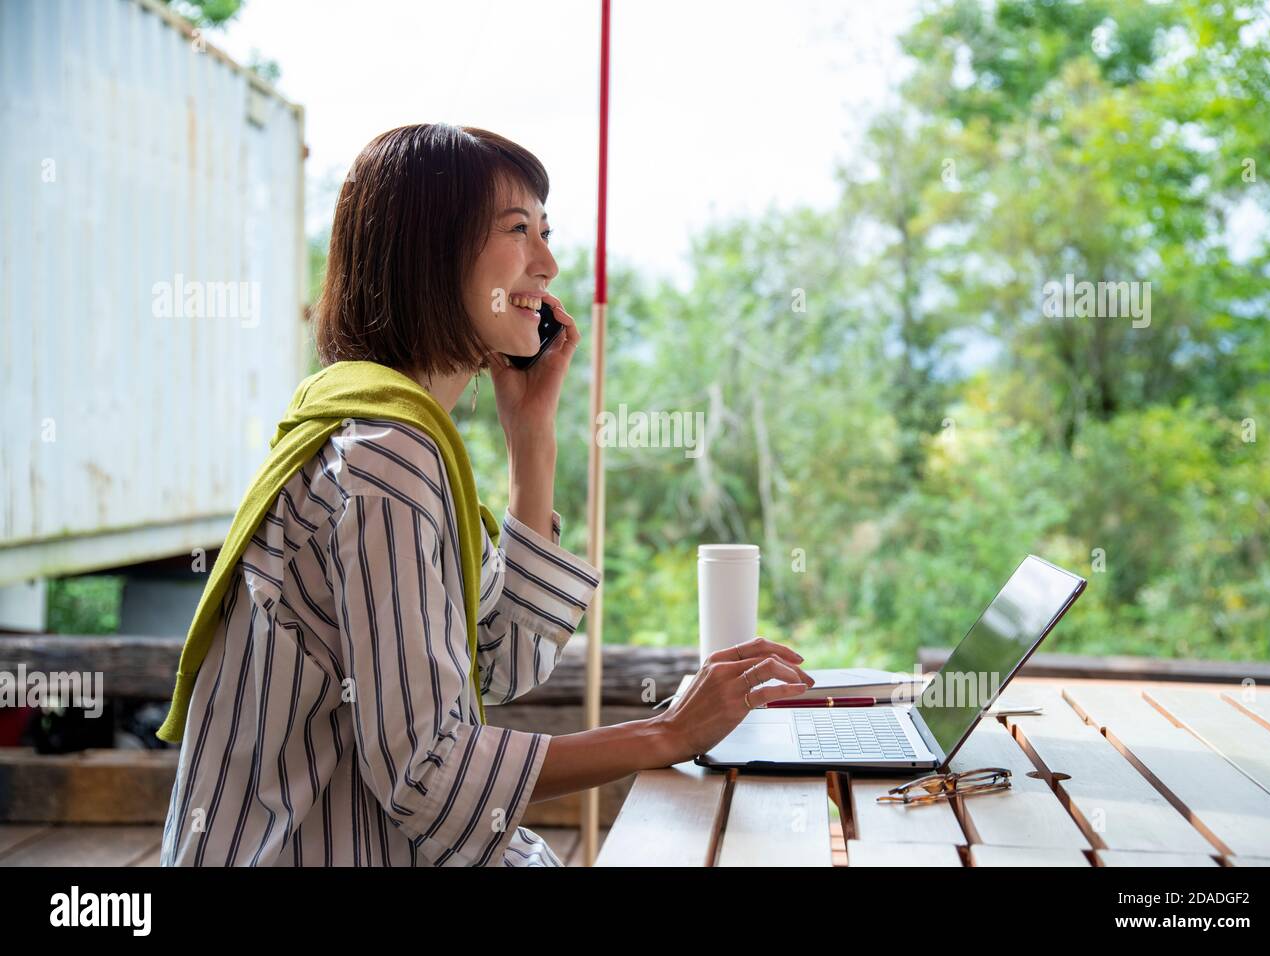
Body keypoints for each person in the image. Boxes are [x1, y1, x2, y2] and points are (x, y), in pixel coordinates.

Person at [159, 123, 813, 867]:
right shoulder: (385, 461)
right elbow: (429, 775)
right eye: (517, 230)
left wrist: (531, 438)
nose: (548, 262)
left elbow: (499, 664)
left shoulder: (394, 434)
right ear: (431, 253)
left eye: (546, 231)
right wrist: (667, 735)